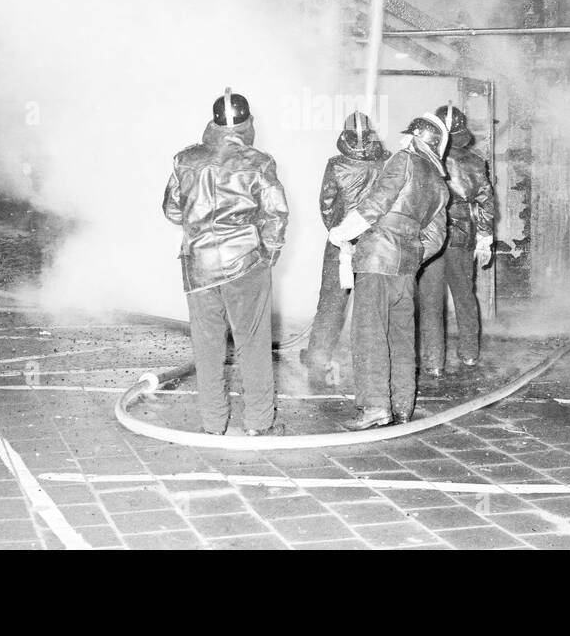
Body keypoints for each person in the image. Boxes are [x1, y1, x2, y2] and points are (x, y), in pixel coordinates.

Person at [162, 89, 289, 437]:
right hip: (246, 265)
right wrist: (270, 252)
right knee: (253, 344)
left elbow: (172, 210)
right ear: (248, 125)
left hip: (198, 267)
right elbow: (276, 215)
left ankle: (213, 423)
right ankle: (259, 424)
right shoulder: (259, 162)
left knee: (207, 349)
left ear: (212, 123)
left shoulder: (185, 159)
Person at [328, 113, 449, 430]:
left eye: (408, 135)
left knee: (369, 335)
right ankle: (402, 406)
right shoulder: (439, 185)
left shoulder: (404, 160)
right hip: (406, 270)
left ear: (417, 140)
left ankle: (374, 408)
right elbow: (435, 239)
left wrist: (342, 232)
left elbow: (377, 203)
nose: (402, 140)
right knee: (401, 338)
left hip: (376, 263)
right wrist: (409, 255)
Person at [303, 112, 386, 386]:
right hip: (375, 246)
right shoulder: (386, 162)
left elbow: (326, 205)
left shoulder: (336, 165)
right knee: (370, 309)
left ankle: (317, 363)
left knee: (331, 305)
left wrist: (338, 232)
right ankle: (368, 370)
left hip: (341, 245)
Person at [418, 104, 497, 376]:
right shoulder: (475, 162)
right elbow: (486, 202)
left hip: (429, 236)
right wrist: (485, 239)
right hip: (462, 237)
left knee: (430, 301)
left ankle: (433, 361)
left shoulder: (425, 159)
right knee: (464, 297)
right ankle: (469, 355)